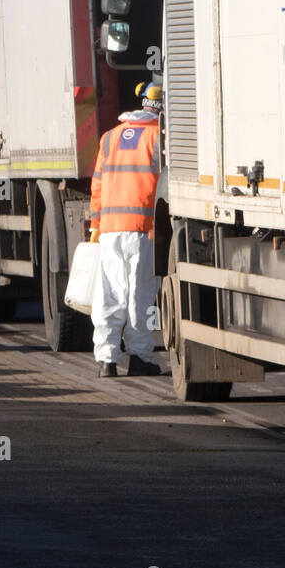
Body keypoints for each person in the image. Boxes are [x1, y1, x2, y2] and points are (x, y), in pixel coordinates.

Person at [88, 81, 164, 377]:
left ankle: (106, 360)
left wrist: (96, 226)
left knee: (109, 293)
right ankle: (140, 357)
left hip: (110, 230)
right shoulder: (160, 138)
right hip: (143, 230)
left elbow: (97, 184)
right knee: (140, 295)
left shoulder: (110, 138)